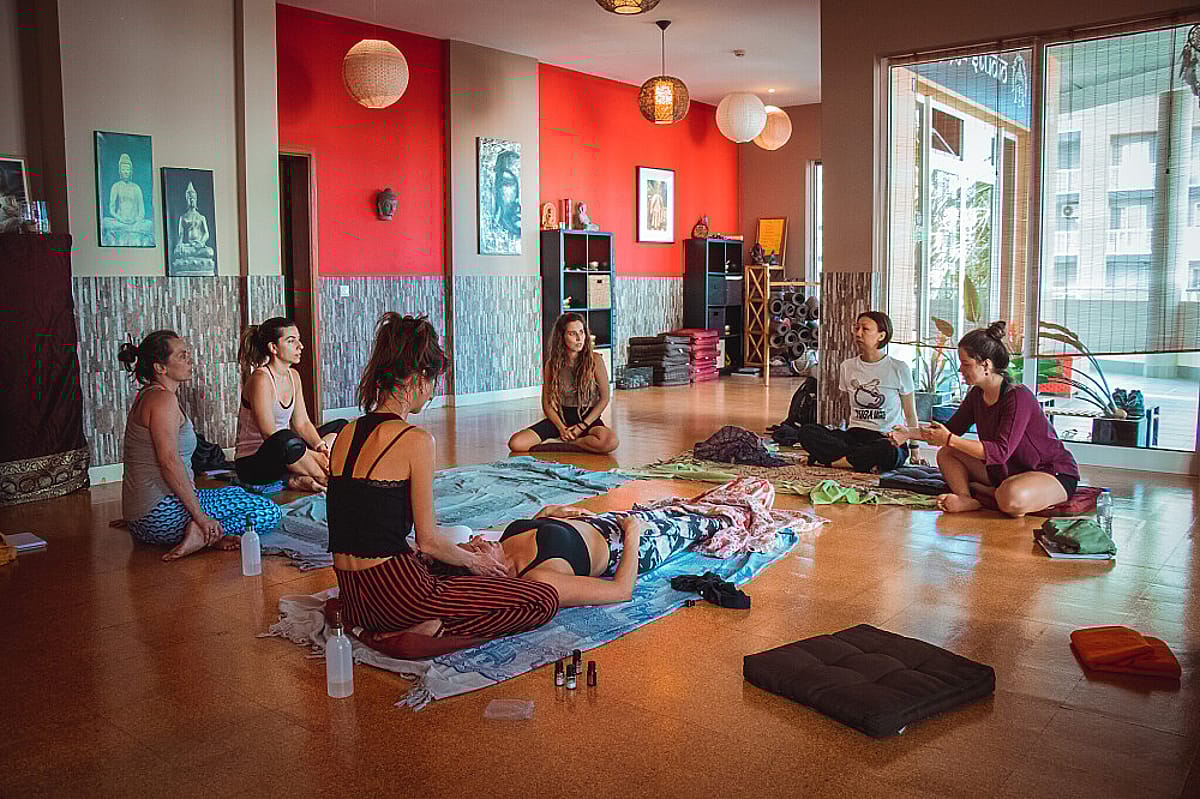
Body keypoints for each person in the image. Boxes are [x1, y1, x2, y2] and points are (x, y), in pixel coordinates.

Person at [328, 313, 558, 647]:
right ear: (420, 379)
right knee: (542, 600)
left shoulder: (346, 432)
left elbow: (363, 526)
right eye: (433, 382)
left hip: (353, 595)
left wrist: (458, 557)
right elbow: (429, 541)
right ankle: (425, 631)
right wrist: (476, 560)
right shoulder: (415, 440)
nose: (432, 393)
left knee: (455, 563)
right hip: (397, 596)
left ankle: (393, 626)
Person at [119, 331, 281, 562]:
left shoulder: (151, 396)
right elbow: (168, 462)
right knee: (267, 511)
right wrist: (200, 516)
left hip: (143, 520)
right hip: (160, 517)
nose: (190, 360)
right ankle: (200, 533)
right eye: (182, 356)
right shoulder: (162, 401)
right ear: (160, 368)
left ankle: (208, 535)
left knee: (236, 492)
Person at [916, 321, 1079, 516]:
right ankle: (967, 498)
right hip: (1005, 470)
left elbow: (1000, 452)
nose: (960, 370)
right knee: (947, 453)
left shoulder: (1018, 396)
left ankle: (991, 492)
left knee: (1010, 497)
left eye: (966, 364)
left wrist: (950, 439)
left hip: (1050, 472)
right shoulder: (977, 394)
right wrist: (908, 433)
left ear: (986, 364)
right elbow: (949, 429)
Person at [456, 503, 735, 607]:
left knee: (681, 506)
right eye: (475, 549)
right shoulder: (540, 578)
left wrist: (548, 515)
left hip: (608, 521)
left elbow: (544, 531)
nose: (479, 540)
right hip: (634, 544)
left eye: (471, 542)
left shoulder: (504, 543)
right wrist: (633, 533)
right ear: (485, 572)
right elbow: (621, 591)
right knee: (719, 520)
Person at [796, 311, 918, 473]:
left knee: (888, 451)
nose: (858, 333)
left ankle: (833, 462)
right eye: (856, 328)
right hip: (855, 436)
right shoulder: (848, 366)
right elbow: (848, 407)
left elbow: (910, 413)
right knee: (807, 432)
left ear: (881, 336)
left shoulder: (899, 368)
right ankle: (859, 461)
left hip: (886, 438)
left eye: (865, 329)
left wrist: (915, 450)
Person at [234, 317, 346, 492]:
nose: (300, 346)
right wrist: (312, 455)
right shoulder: (261, 379)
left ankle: (302, 475)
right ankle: (329, 479)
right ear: (273, 348)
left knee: (341, 426)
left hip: (290, 452)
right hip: (255, 462)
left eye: (298, 340)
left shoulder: (293, 376)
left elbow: (302, 423)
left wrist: (320, 447)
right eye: (291, 341)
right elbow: (269, 435)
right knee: (286, 439)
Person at [508, 312, 619, 454]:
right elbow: (547, 405)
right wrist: (561, 428)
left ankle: (567, 443)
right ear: (562, 337)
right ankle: (569, 442)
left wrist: (581, 427)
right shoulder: (552, 364)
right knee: (516, 443)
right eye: (573, 334)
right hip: (561, 420)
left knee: (610, 441)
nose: (580, 338)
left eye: (581, 332)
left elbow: (604, 398)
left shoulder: (595, 360)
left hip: (587, 420)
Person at [171, 182, 214, 271]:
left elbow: (206, 233)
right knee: (177, 252)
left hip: (199, 246)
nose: (191, 200)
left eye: (193, 198)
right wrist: (180, 244)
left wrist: (201, 242)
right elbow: (181, 234)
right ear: (186, 200)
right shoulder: (183, 217)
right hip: (188, 246)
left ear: (196, 199)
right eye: (189, 198)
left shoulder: (201, 217)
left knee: (209, 252)